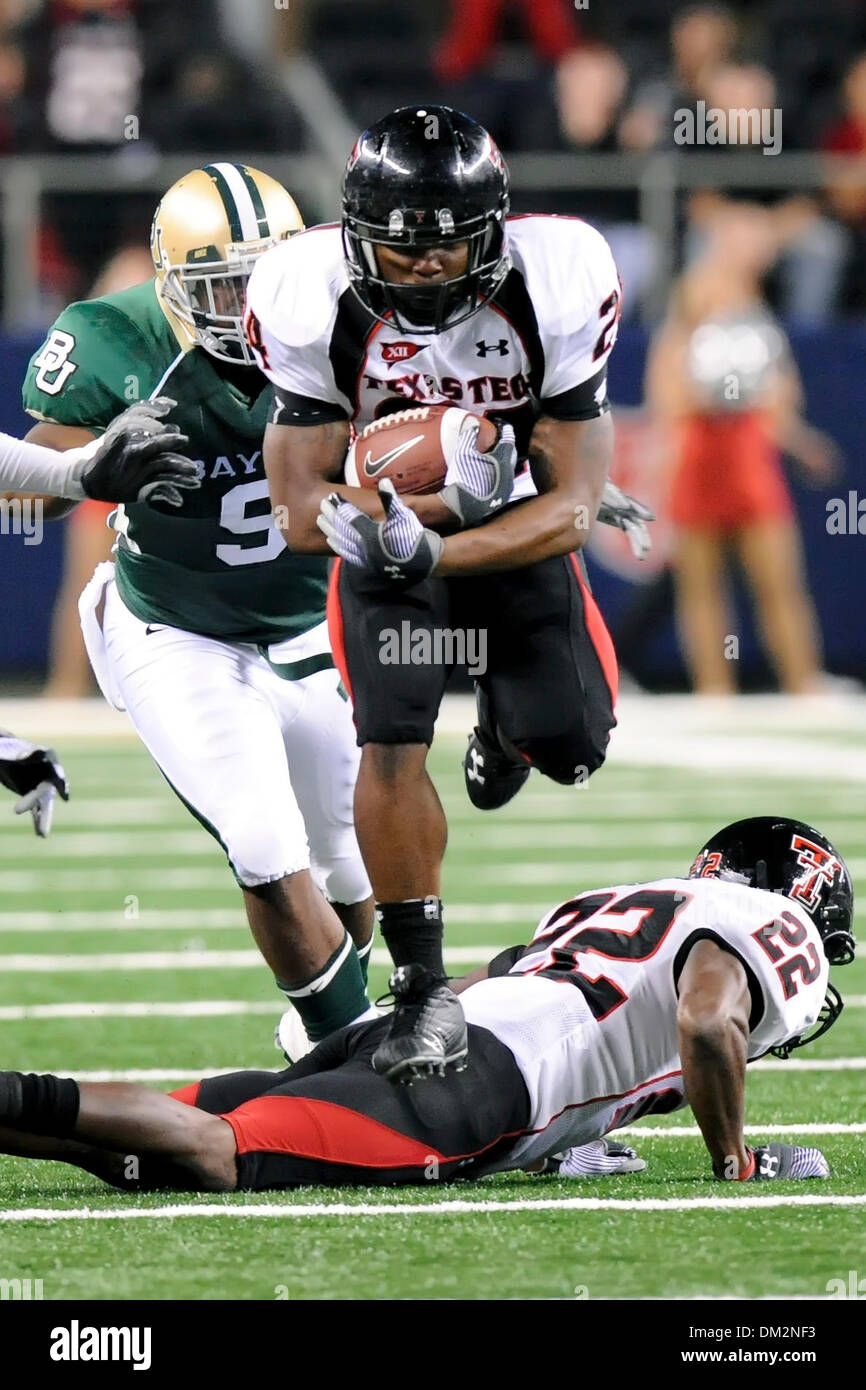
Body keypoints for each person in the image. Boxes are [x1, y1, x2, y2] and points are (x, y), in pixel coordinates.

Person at [247, 105, 652, 1083]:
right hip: (381, 532)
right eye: (400, 247)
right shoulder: (305, 294)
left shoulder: (556, 280)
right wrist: (389, 523)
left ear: (495, 229)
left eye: (448, 246)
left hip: (511, 521)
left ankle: (505, 731)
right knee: (387, 740)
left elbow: (572, 509)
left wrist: (444, 542)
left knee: (570, 746)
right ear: (354, 235)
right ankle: (421, 988)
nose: (426, 266)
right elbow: (298, 507)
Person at [0, 816, 853, 1192]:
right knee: (219, 1153)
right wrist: (734, 1158)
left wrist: (569, 1145)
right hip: (477, 1085)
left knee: (138, 1157)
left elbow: (520, 984)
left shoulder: (614, 898)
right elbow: (706, 1021)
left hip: (423, 1033)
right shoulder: (775, 923)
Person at [20, 163, 375, 1054]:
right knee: (262, 841)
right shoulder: (112, 337)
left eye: (263, 279)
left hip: (307, 624)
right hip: (173, 628)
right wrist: (83, 470)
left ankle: (321, 1031)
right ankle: (363, 1061)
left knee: (354, 867)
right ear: (168, 281)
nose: (246, 305)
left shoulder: (350, 320)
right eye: (221, 284)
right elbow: (22, 492)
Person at [645, 202, 837, 694]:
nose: (762, 247)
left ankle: (802, 684)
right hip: (706, 447)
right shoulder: (699, 290)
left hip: (748, 445)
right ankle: (718, 689)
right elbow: (670, 375)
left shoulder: (753, 298)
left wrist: (799, 441)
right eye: (749, 237)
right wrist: (667, 443)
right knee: (707, 585)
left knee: (776, 579)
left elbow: (774, 390)